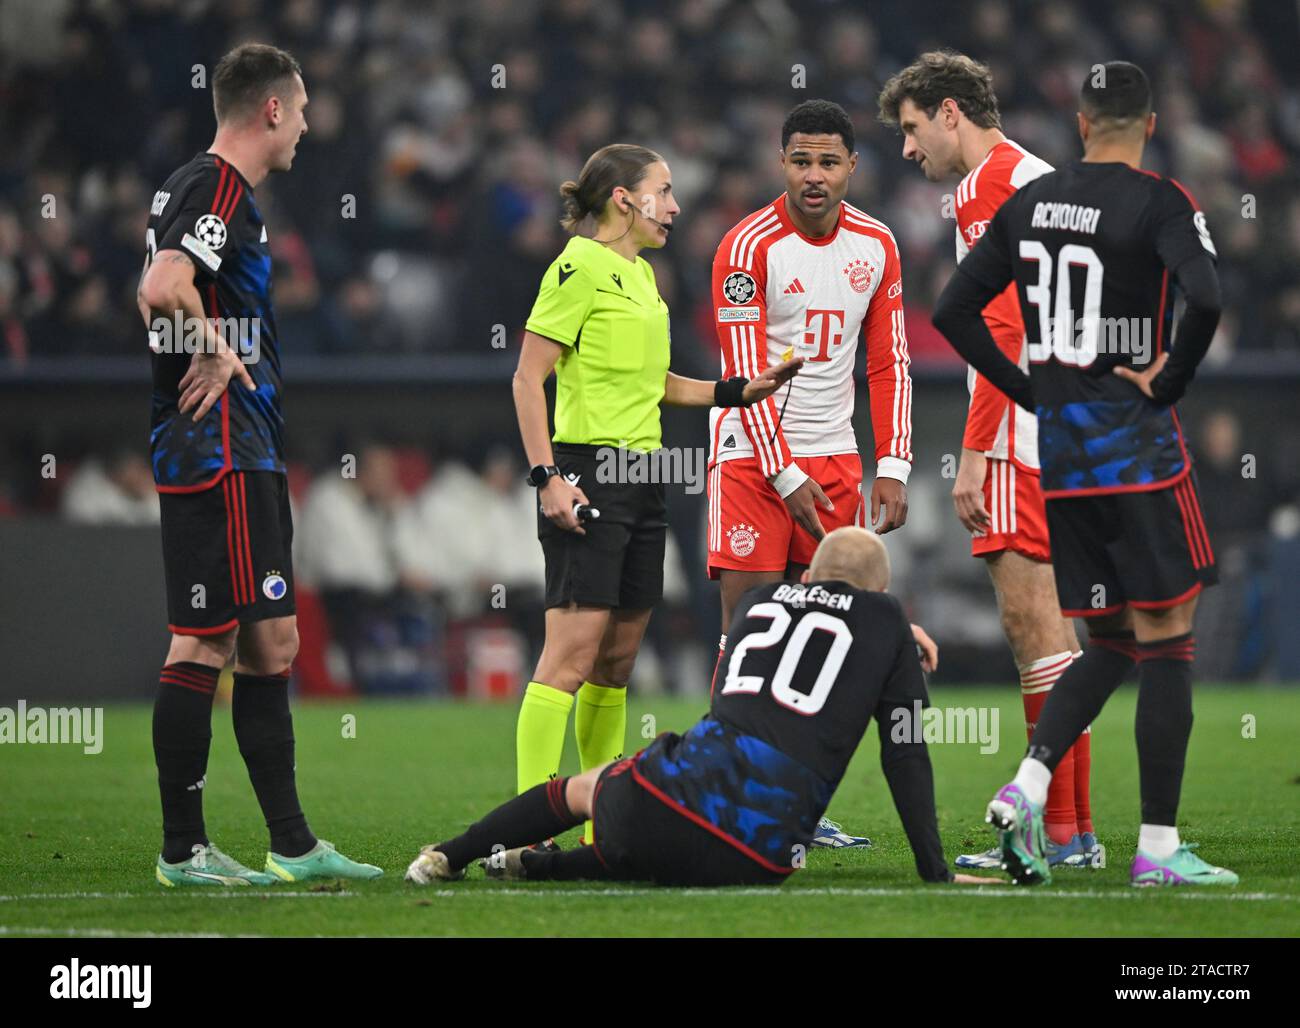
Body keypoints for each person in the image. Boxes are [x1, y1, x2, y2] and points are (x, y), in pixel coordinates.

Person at [932, 62, 1235, 886]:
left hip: (1061, 459)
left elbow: (953, 311)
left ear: (1079, 122)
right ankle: (1159, 853)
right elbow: (1205, 298)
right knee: (1168, 641)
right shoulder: (1161, 201)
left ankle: (1029, 785)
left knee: (1106, 641)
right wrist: (1167, 380)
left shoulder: (1030, 201)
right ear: (1151, 121)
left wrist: (1031, 387)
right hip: (1136, 450)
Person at [406, 527, 991, 888]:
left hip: (659, 803)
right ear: (882, 595)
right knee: (687, 846)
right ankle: (540, 868)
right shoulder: (885, 620)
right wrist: (933, 870)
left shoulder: (758, 601)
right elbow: (905, 752)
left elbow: (805, 634)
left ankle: (450, 856)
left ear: (809, 572)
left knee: (582, 792)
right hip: (761, 853)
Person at [137, 43, 379, 885]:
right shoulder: (217, 186)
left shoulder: (194, 186)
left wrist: (200, 338)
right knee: (208, 640)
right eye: (303, 110)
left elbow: (170, 287)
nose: (308, 125)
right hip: (223, 446)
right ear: (272, 109)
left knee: (272, 640)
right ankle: (183, 849)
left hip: (239, 446)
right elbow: (163, 286)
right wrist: (209, 350)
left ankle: (291, 845)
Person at [512, 143, 800, 846]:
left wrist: (737, 391)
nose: (674, 206)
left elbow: (659, 384)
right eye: (664, 192)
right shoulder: (577, 267)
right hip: (587, 472)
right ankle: (522, 824)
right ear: (624, 199)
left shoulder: (642, 275)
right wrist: (548, 477)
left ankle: (595, 824)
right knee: (571, 656)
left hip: (645, 478)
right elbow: (527, 379)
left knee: (615, 660)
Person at [878, 51, 1097, 870]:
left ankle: (1060, 835)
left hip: (1019, 436)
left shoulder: (987, 186)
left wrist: (974, 453)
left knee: (1032, 630)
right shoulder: (1046, 173)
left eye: (910, 129)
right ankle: (1074, 832)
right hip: (1073, 427)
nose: (907, 151)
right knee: (1062, 638)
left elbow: (999, 326)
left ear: (948, 112)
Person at [704, 99, 914, 847]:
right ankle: (720, 791)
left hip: (835, 454)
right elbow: (741, 374)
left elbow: (889, 360)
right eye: (801, 161)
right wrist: (782, 471)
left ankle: (801, 800)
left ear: (853, 166)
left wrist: (892, 461)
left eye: (829, 162)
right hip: (750, 457)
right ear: (781, 164)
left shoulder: (880, 244)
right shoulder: (746, 246)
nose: (815, 176)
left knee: (825, 634)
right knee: (750, 625)